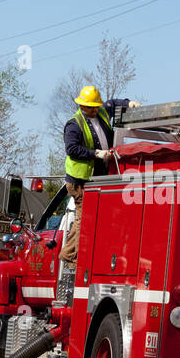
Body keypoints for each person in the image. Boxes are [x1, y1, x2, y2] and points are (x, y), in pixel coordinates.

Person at [59, 85, 138, 264]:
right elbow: (71, 149)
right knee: (85, 217)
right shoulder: (74, 124)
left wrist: (128, 103)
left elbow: (112, 103)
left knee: (90, 217)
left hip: (96, 178)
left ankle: (74, 253)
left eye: (96, 106)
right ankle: (70, 256)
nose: (95, 109)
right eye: (91, 107)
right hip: (80, 181)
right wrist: (95, 153)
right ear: (82, 106)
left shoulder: (101, 112)